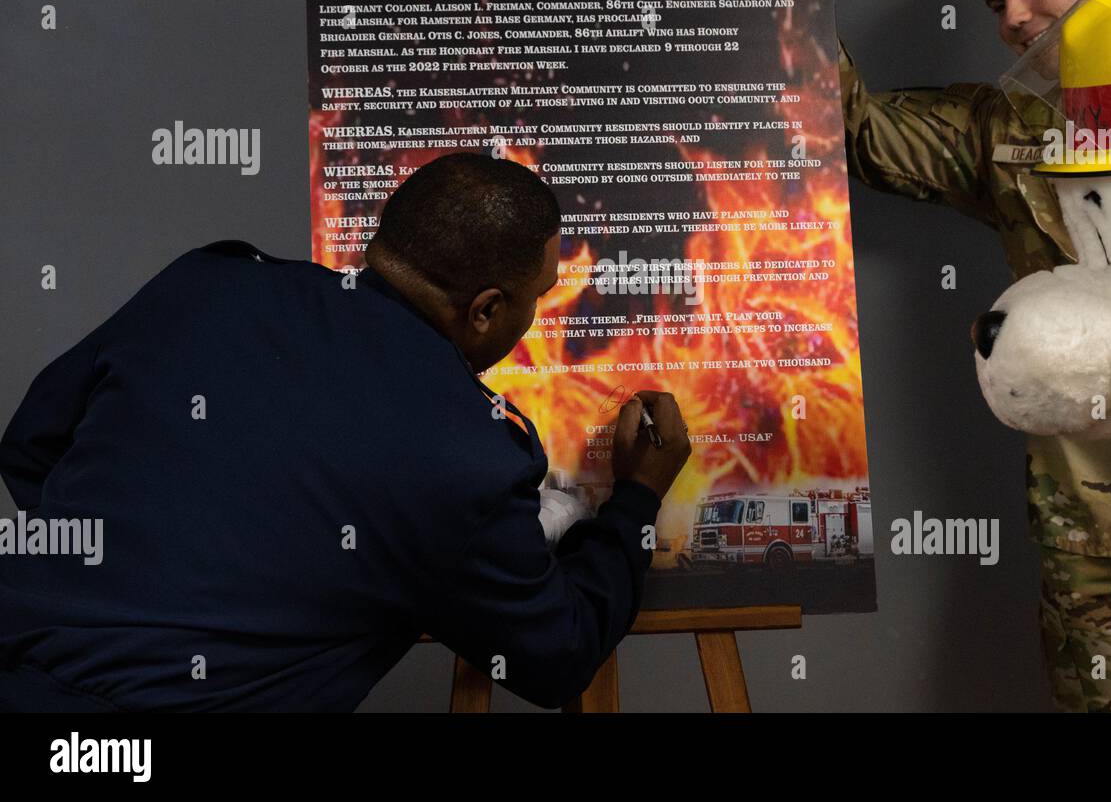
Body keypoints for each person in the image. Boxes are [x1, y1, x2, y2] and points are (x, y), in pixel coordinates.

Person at [0, 152, 691, 711]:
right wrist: (637, 498)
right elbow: (557, 656)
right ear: (485, 311)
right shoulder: (466, 453)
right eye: (539, 298)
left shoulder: (206, 286)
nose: (538, 315)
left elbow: (32, 443)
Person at [836, 0, 1111, 711]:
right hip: (1092, 535)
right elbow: (861, 132)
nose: (1014, 17)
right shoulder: (1004, 128)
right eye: (997, 3)